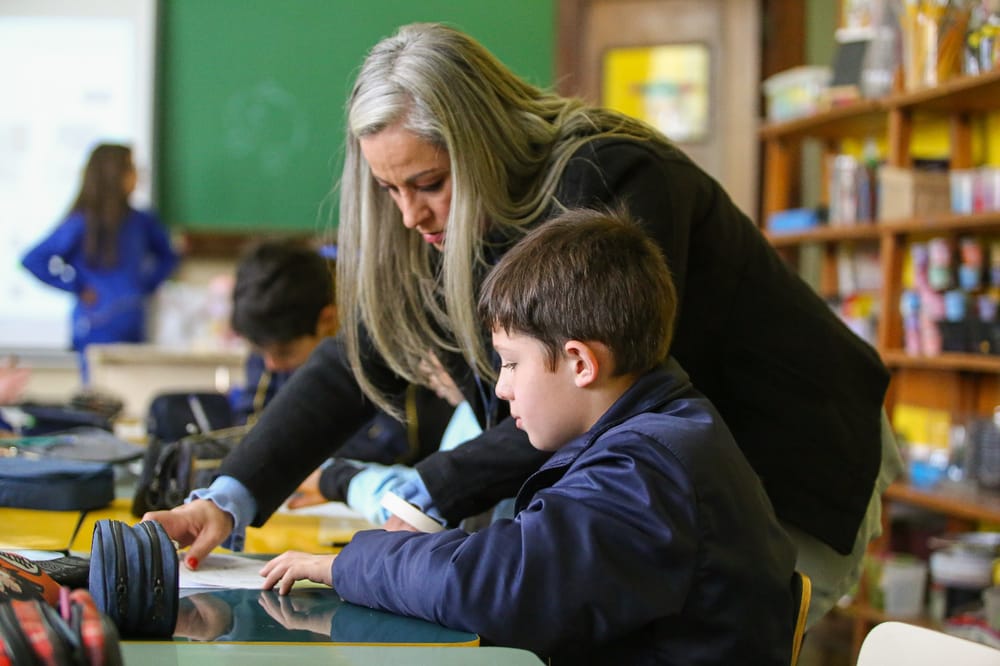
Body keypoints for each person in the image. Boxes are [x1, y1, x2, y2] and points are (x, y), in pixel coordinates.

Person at [145, 23, 903, 626]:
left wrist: (420, 494)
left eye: (429, 184)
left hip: (789, 452)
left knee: (722, 627)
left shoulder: (607, 183)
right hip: (671, 476)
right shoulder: (433, 229)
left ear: (476, 145)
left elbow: (595, 396)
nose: (409, 215)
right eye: (388, 191)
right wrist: (225, 497)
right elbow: (359, 358)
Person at [259, 208, 798, 664]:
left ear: (581, 363)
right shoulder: (658, 436)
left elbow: (499, 584)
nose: (503, 389)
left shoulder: (644, 470)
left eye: (512, 364)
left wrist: (345, 564)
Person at [226, 238, 456, 519]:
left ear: (328, 319)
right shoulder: (275, 327)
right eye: (260, 352)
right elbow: (253, 427)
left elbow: (397, 443)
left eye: (284, 353)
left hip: (391, 496)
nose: (271, 365)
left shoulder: (387, 325)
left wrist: (320, 469)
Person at [21, 143, 179, 382]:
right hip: (96, 326)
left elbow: (169, 256)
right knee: (98, 394)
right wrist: (77, 287)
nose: (137, 176)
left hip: (134, 325)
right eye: (131, 169)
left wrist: (147, 283)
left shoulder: (141, 221)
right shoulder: (83, 222)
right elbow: (34, 259)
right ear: (114, 174)